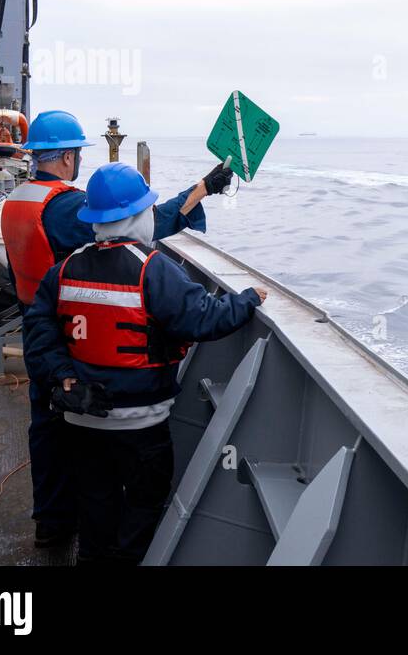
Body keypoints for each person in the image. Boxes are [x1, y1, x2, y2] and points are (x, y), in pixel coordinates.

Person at [3, 109, 234, 549]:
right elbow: (134, 225)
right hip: (70, 337)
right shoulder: (64, 206)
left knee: (47, 429)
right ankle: (92, 536)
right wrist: (201, 189)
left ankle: (53, 524)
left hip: (38, 327)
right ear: (69, 158)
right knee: (70, 436)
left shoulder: (19, 198)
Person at [23, 163, 266, 564]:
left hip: (82, 421)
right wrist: (249, 298)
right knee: (143, 503)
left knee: (95, 504)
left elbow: (39, 330)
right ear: (138, 216)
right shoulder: (153, 270)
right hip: (141, 425)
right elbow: (205, 318)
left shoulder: (63, 270)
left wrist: (63, 375)